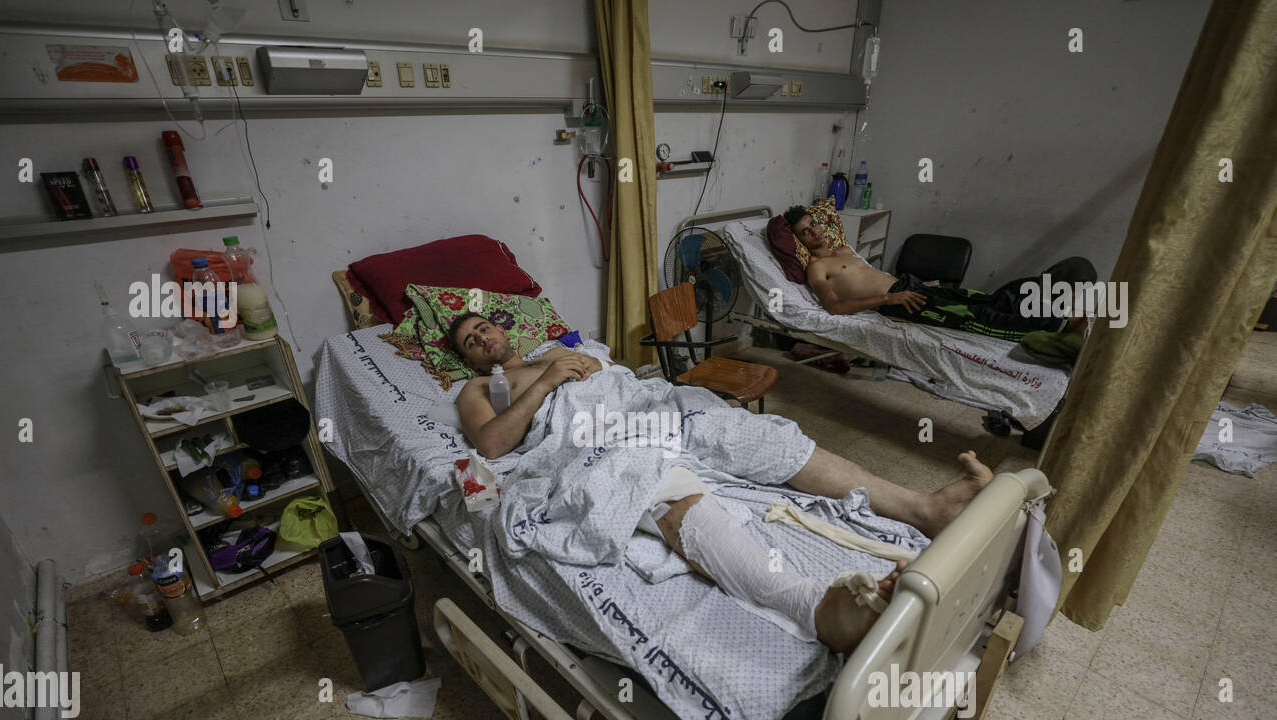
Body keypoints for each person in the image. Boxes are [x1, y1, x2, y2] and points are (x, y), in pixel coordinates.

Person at [447, 311, 991, 655]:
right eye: (470, 341)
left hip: (650, 407)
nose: (482, 339)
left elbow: (623, 381)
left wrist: (568, 366)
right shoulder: (477, 389)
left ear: (503, 326)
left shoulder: (565, 348)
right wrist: (545, 383)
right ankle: (815, 609)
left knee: (756, 435)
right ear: (467, 356)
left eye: (484, 327)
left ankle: (922, 508)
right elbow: (492, 446)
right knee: (651, 481)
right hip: (594, 439)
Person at [784, 205, 1094, 341]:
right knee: (979, 319)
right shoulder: (817, 269)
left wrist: (904, 289)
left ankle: (1059, 298)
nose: (814, 232)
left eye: (815, 224)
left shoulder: (844, 249)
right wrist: (887, 301)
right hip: (901, 303)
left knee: (989, 298)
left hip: (910, 286)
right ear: (798, 241)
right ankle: (1064, 324)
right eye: (805, 232)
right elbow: (834, 307)